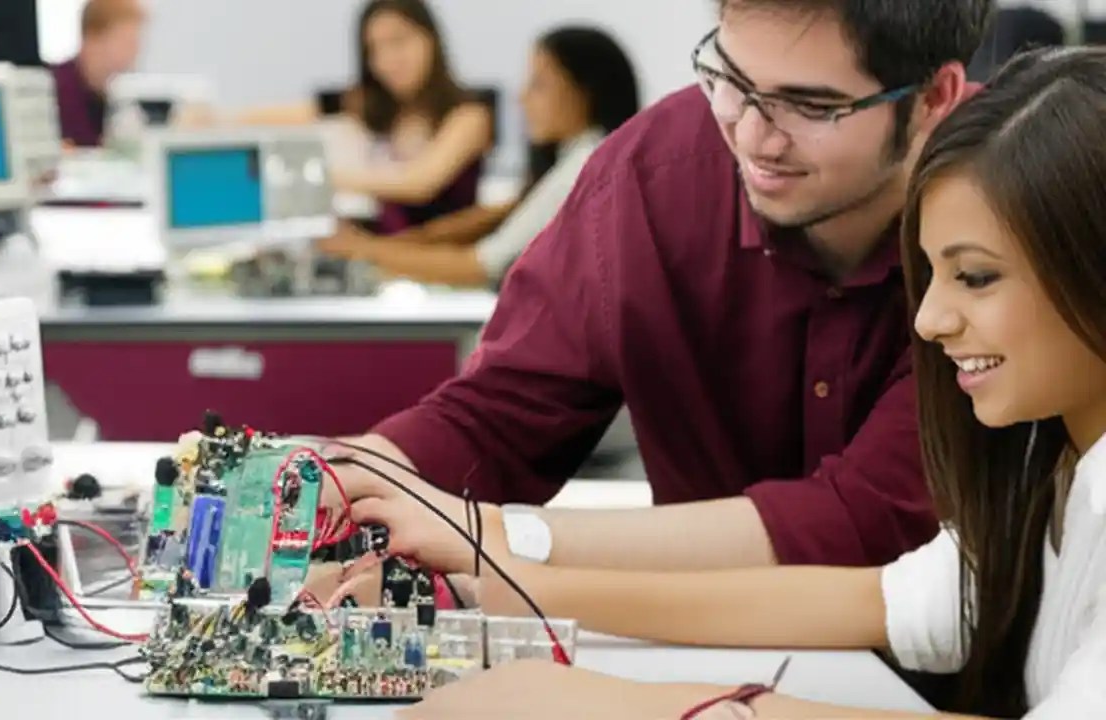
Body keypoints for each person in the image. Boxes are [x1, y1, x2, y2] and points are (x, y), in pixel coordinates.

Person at [348, 45, 1106, 720]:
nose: (931, 320)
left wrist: (633, 705)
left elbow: (850, 530)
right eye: (732, 80)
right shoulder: (1052, 465)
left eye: (974, 277)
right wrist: (494, 582)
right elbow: (872, 600)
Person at [329, 0, 992, 573]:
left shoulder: (1014, 209)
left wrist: (505, 540)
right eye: (730, 79)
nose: (754, 135)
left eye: (808, 105)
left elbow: (867, 521)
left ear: (934, 97)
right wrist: (354, 476)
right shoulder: (651, 176)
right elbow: (506, 413)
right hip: (697, 656)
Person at [317, 26, 640, 289]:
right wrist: (392, 246)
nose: (522, 97)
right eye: (375, 49)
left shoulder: (585, 163)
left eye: (540, 84)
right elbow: (503, 215)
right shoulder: (375, 114)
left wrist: (366, 248)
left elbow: (483, 259)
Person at [205, 0, 493, 233]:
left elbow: (417, 183)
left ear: (430, 39)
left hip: (442, 260)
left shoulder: (469, 116)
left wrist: (319, 176)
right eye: (374, 50)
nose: (387, 60)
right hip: (385, 256)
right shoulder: (372, 104)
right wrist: (220, 120)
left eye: (398, 41)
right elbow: (301, 113)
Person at [49, 0, 146, 149]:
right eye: (126, 42)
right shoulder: (54, 93)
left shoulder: (112, 98)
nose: (133, 53)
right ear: (93, 38)